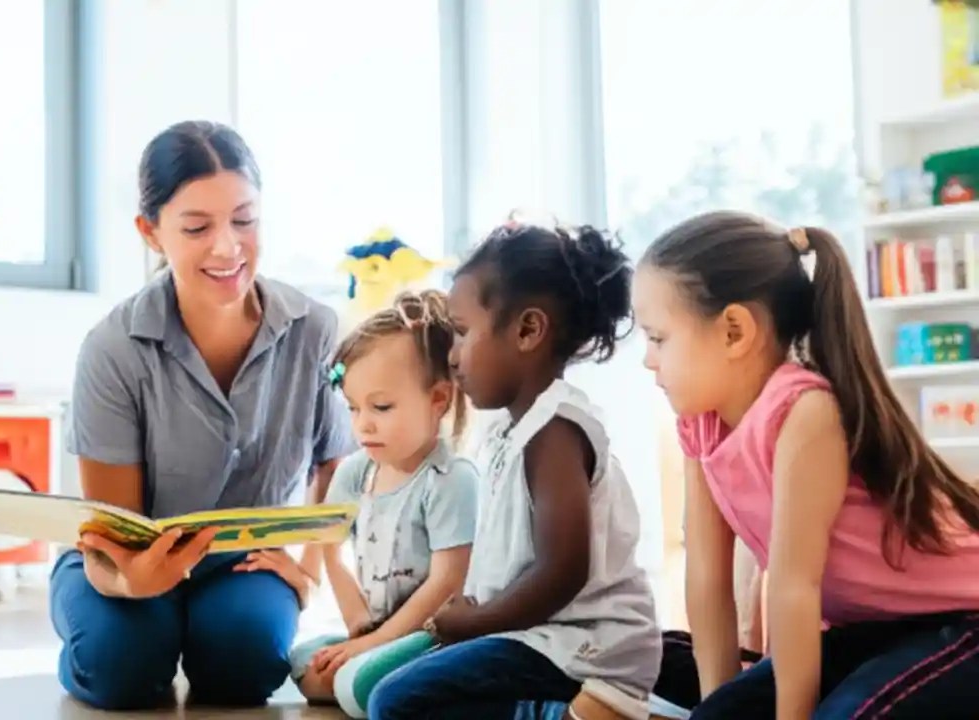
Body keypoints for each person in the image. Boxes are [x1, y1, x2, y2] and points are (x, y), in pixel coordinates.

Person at [53, 120, 354, 710]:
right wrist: (131, 582)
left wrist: (309, 570)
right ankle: (135, 631)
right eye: (197, 227)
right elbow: (114, 534)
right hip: (129, 564)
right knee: (121, 671)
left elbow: (336, 467)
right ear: (151, 232)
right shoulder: (113, 349)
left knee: (245, 668)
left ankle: (201, 630)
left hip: (244, 564)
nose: (227, 247)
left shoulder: (314, 331)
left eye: (244, 219)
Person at [633, 210, 979, 718]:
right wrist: (718, 707)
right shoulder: (700, 425)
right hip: (870, 631)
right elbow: (708, 578)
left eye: (658, 338)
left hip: (960, 619)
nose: (648, 359)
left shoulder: (804, 410)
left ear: (733, 331)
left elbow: (796, 588)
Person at [367, 222, 663, 719]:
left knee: (397, 702)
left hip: (581, 644)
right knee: (382, 686)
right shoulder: (516, 430)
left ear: (527, 330)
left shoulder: (556, 432)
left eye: (461, 332)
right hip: (538, 637)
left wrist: (475, 623)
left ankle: (597, 709)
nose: (453, 356)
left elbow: (562, 572)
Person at [288, 290, 480, 718]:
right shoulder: (357, 472)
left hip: (435, 635)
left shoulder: (451, 479)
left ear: (438, 399)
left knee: (359, 687)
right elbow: (330, 547)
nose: (362, 425)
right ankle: (379, 675)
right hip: (381, 631)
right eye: (353, 408)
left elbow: (445, 585)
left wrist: (370, 645)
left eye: (381, 407)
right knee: (303, 663)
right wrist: (358, 627)